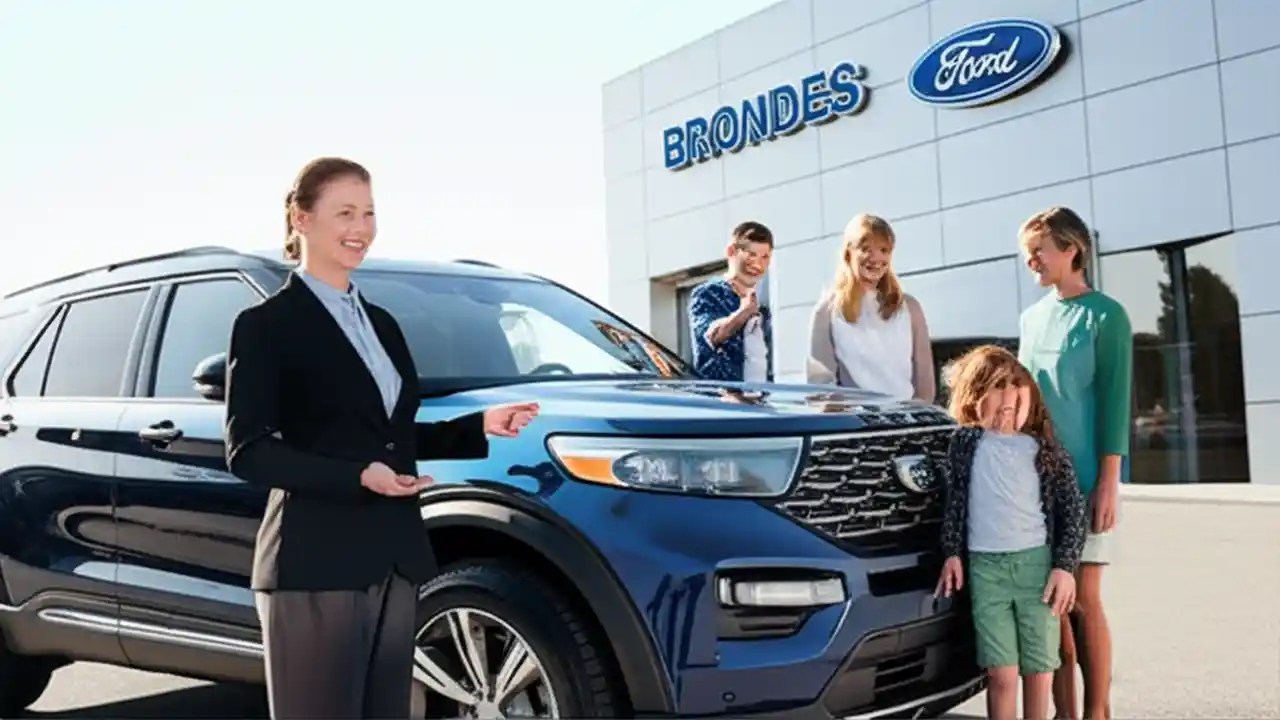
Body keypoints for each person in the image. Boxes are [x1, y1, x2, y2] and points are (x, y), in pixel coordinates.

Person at [224, 156, 540, 719]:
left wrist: (476, 426)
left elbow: (383, 436)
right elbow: (248, 451)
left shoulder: (382, 324)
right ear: (301, 217)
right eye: (345, 212)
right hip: (313, 564)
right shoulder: (267, 326)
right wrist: (356, 476)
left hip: (393, 557)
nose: (362, 228)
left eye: (369, 212)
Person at [1015, 206, 1133, 720]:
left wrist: (1109, 481)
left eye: (1038, 250)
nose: (1031, 260)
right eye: (1027, 252)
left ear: (1071, 249)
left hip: (1086, 477)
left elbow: (1114, 402)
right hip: (1034, 481)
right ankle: (1064, 713)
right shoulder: (1030, 318)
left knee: (1083, 597)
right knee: (1051, 606)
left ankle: (1098, 711)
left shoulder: (1108, 315)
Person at [935, 345, 1087, 720]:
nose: (1010, 396)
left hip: (1037, 571)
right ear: (976, 395)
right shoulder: (966, 445)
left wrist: (1065, 568)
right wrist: (951, 552)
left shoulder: (1043, 448)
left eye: (1017, 386)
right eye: (998, 386)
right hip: (987, 572)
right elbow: (955, 503)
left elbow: (1072, 513)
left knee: (1039, 669)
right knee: (1001, 673)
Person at [806, 213, 935, 402]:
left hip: (905, 422)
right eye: (866, 249)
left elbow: (924, 384)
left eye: (884, 250)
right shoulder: (827, 312)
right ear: (849, 252)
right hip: (856, 425)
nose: (876, 258)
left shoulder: (909, 307)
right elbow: (821, 388)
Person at [688, 221, 774, 382]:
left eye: (765, 257)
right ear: (731, 252)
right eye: (751, 255)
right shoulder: (709, 293)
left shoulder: (762, 309)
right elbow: (710, 336)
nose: (757, 264)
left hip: (759, 400)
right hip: (720, 400)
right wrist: (743, 313)